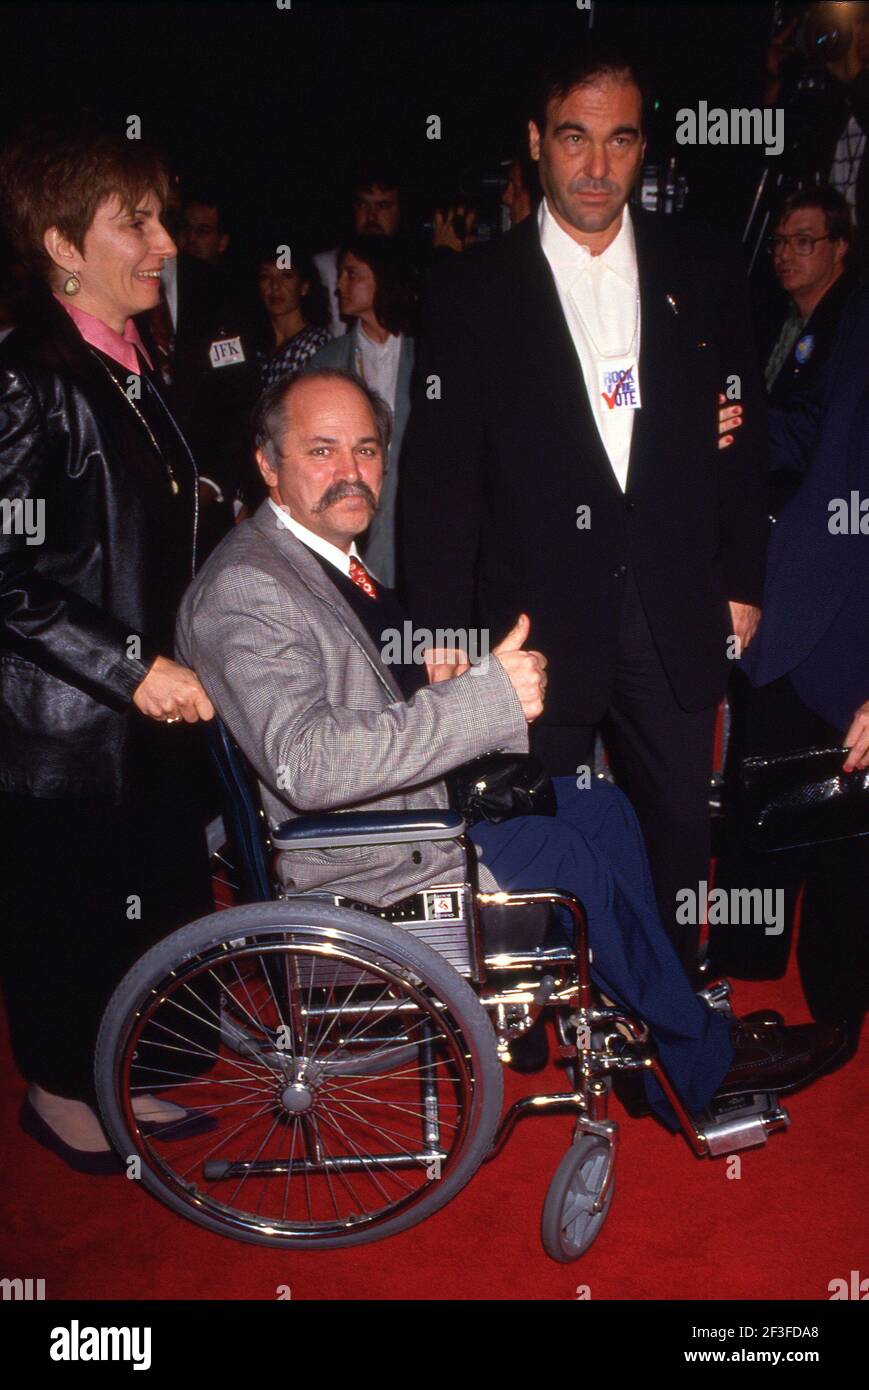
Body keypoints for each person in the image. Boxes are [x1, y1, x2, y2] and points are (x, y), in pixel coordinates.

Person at [175, 368, 846, 1130]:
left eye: (365, 450)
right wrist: (484, 699)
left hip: (403, 807)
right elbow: (308, 762)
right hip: (366, 857)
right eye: (321, 451)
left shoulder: (320, 558)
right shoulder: (247, 587)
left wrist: (438, 673)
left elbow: (354, 686)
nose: (349, 473)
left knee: (597, 801)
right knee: (564, 854)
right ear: (268, 465)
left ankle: (661, 1032)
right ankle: (697, 1058)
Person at [400, 42, 769, 974]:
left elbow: (743, 439)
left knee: (678, 831)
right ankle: (542, 994)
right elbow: (439, 469)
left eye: (619, 141)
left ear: (643, 150)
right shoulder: (470, 286)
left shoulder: (707, 266)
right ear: (535, 144)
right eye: (574, 138)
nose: (597, 166)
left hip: (673, 609)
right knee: (536, 830)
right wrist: (442, 626)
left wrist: (741, 580)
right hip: (531, 622)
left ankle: (667, 1019)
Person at [0, 121, 217, 1173]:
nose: (164, 240)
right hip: (65, 730)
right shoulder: (28, 377)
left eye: (161, 216)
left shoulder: (130, 356)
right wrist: (134, 668)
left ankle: (121, 1074)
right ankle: (56, 1089)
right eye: (134, 221)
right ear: (59, 245)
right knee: (68, 915)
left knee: (139, 906)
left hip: (140, 718)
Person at [709, 288, 869, 1051]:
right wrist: (725, 429)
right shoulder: (860, 310)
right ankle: (744, 953)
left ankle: (837, 1012)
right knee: (759, 796)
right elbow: (811, 428)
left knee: (850, 841)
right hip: (803, 595)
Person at [304, 235, 416, 587]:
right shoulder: (327, 363)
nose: (339, 286)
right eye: (340, 275)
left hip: (419, 523)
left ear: (382, 278)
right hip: (355, 522)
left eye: (353, 274)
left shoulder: (428, 352)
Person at [314, 165, 404, 338]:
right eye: (363, 204)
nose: (371, 216)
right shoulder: (323, 266)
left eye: (383, 206)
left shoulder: (414, 269)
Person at [256, 248, 330, 388]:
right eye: (266, 277)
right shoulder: (255, 344)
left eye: (286, 276)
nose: (275, 286)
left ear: (304, 287)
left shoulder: (316, 343)